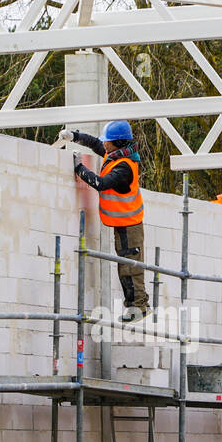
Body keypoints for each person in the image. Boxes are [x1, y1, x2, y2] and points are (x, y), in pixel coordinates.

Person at [58, 122, 150, 322]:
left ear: (117, 143)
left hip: (130, 224)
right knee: (124, 266)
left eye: (107, 141)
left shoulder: (124, 166)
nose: (104, 145)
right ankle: (135, 306)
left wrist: (79, 168)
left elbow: (101, 184)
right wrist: (73, 136)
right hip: (122, 222)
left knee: (130, 267)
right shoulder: (116, 154)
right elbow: (93, 143)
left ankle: (139, 307)